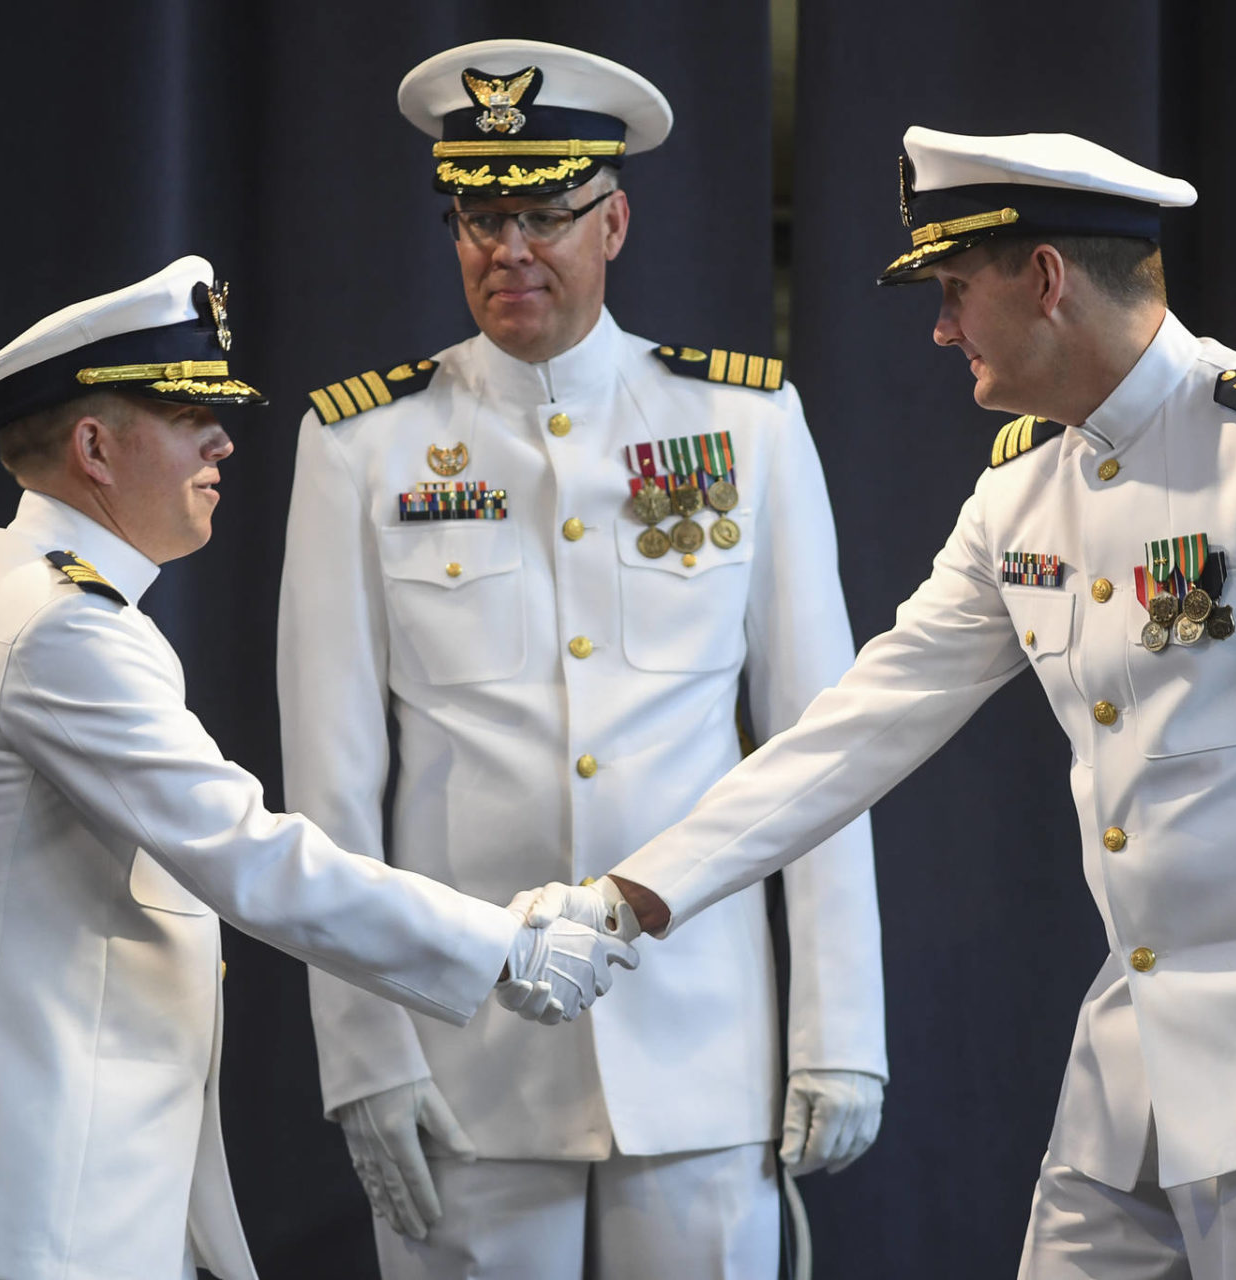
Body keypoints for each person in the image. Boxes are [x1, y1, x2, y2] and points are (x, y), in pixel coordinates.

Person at [536, 129, 1236, 1278]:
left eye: (953, 290)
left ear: (1045, 281)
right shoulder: (1021, 494)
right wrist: (630, 897)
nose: (941, 327)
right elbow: (858, 726)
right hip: (1128, 1082)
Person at [0, 256, 633, 1280]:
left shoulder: (29, 595)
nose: (224, 440)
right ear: (96, 446)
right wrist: (507, 945)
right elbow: (249, 853)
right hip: (20, 1194)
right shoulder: (58, 628)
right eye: (189, 414)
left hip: (40, 1185)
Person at [278, 39, 887, 1279]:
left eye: (544, 213)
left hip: (704, 1045)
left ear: (614, 220)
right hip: (465, 1052)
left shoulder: (745, 426)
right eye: (478, 216)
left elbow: (823, 754)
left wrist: (841, 1030)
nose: (509, 249)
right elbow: (331, 790)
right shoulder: (363, 444)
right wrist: (367, 1052)